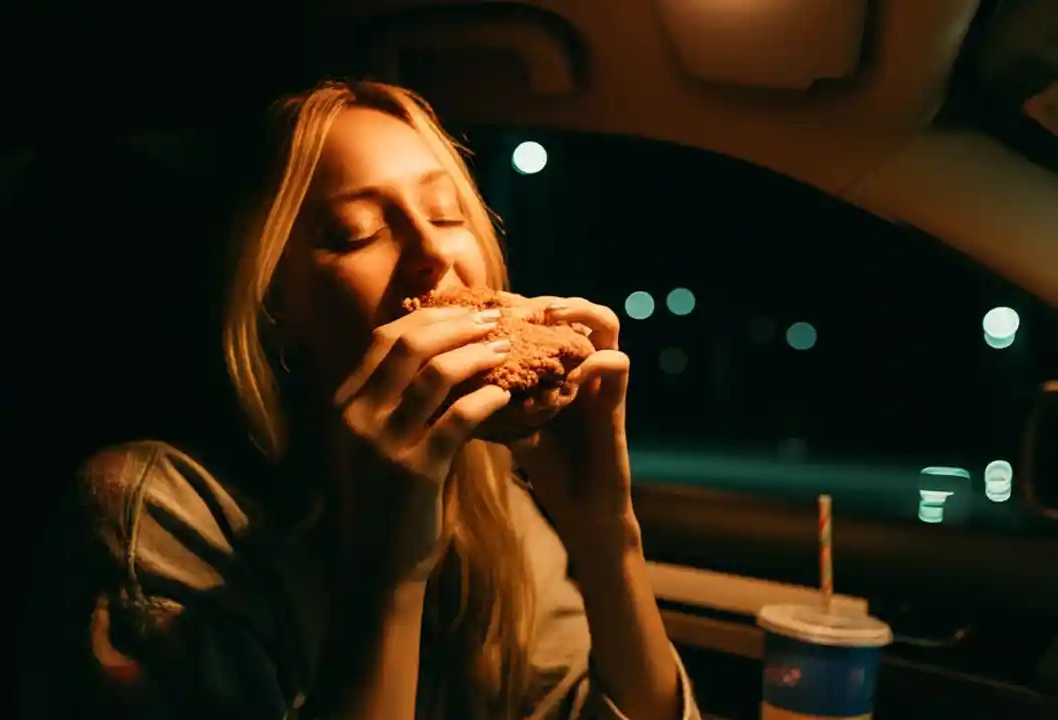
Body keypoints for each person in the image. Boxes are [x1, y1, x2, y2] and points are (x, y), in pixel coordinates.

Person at [71, 79, 701, 719]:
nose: (432, 251)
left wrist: (604, 533)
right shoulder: (157, 511)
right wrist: (390, 574)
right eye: (357, 231)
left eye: (448, 214)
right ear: (273, 302)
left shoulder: (493, 498)